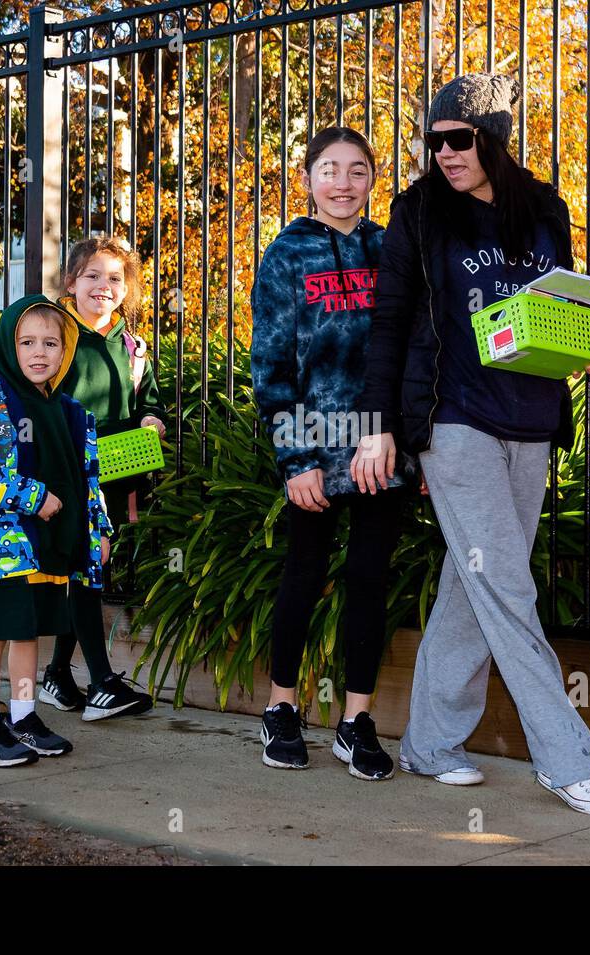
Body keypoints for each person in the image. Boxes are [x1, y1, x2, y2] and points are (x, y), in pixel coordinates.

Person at [351, 73, 590, 816]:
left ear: (494, 139)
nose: (442, 153)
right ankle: (568, 759)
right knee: (507, 585)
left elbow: (566, 301)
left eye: (459, 139)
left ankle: (430, 742)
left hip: (532, 413)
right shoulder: (417, 213)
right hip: (454, 417)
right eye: (433, 140)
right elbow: (389, 323)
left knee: (471, 587)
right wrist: (376, 426)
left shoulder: (543, 207)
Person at [251, 127, 416, 780]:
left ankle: (355, 720)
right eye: (329, 169)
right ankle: (282, 708)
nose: (342, 182)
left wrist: (413, 451)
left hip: (382, 450)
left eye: (356, 170)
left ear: (372, 179)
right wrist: (296, 460)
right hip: (314, 451)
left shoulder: (390, 249)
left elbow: (409, 353)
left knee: (370, 583)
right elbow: (270, 361)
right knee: (304, 573)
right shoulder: (287, 252)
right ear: (308, 178)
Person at [0, 295, 111, 767]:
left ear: (65, 352)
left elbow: (89, 478)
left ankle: (23, 717)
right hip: (4, 547)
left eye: (51, 343)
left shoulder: (70, 411)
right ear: (9, 345)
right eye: (27, 342)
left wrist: (98, 529)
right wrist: (31, 497)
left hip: (50, 548)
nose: (39, 353)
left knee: (29, 635)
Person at [39, 236, 162, 721]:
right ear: (71, 282)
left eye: (115, 278)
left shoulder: (131, 344)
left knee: (87, 571)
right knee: (86, 568)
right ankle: (104, 682)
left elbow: (149, 397)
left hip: (114, 475)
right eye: (92, 275)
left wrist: (150, 418)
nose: (103, 286)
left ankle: (56, 674)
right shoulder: (58, 336)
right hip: (70, 475)